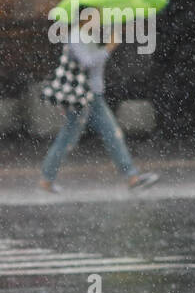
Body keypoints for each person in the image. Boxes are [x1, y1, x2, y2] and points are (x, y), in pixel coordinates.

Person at [38, 21, 160, 193]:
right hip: (82, 96)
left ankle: (132, 177)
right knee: (70, 137)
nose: (96, 19)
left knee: (111, 134)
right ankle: (47, 179)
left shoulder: (88, 35)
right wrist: (108, 48)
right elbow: (87, 62)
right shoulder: (76, 36)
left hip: (93, 95)